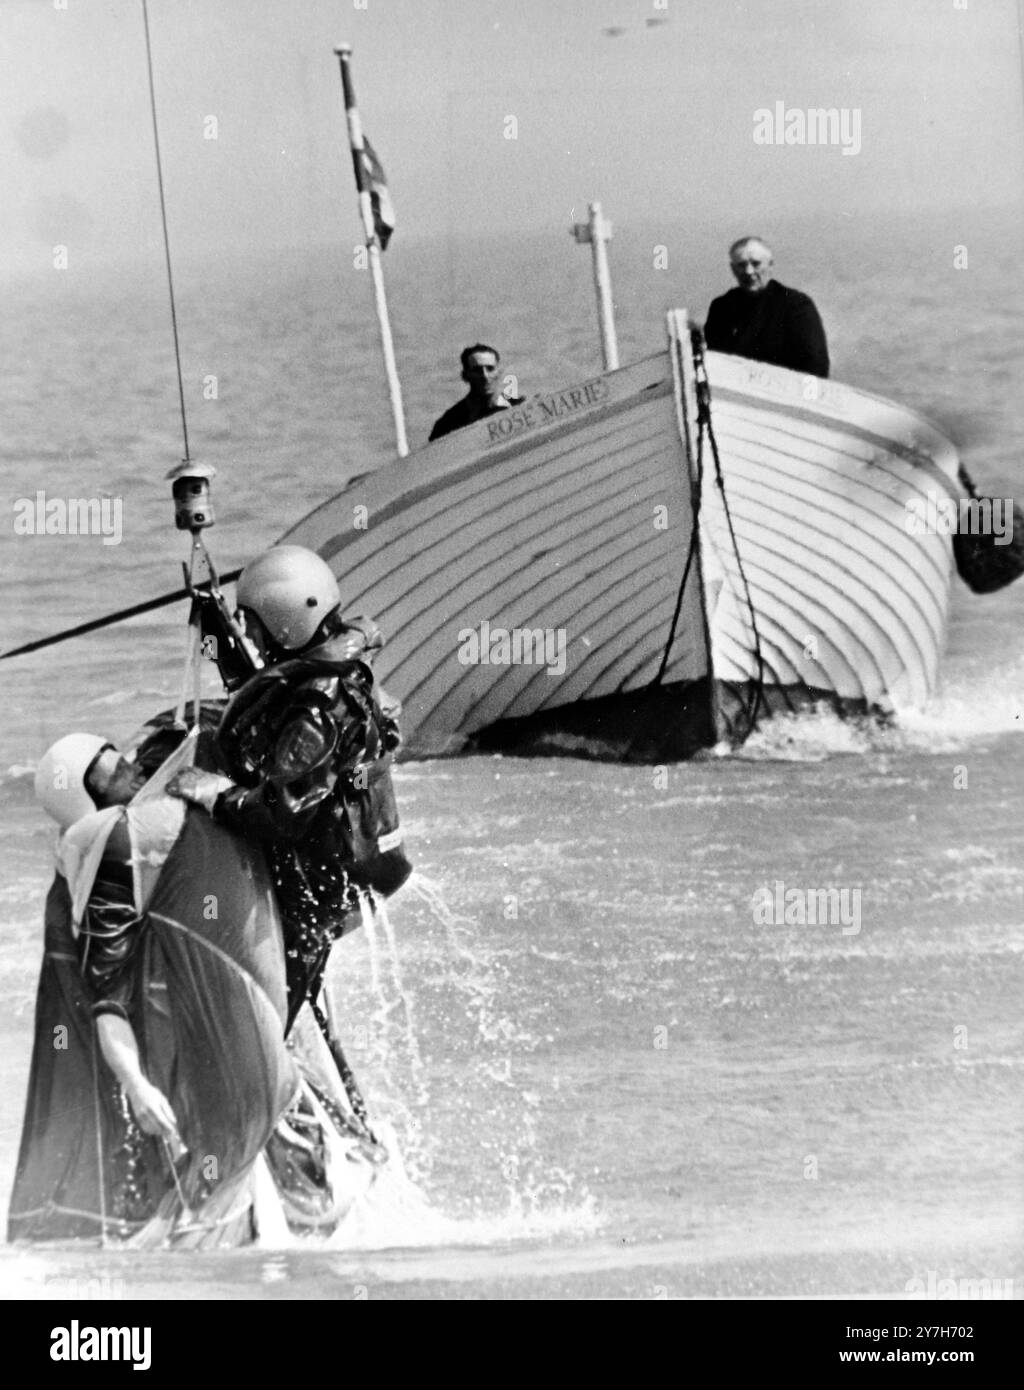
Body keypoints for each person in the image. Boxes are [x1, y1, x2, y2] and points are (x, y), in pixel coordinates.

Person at [9, 728, 305, 1246]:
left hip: (250, 1019)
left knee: (255, 1162)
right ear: (91, 804)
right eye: (113, 776)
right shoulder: (114, 853)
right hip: (224, 1042)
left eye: (120, 758)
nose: (133, 771)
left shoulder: (159, 808)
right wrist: (136, 1084)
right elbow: (107, 995)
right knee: (217, 1184)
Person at [169, 544, 412, 1028]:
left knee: (274, 1011)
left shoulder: (315, 713)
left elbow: (282, 815)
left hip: (327, 878)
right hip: (348, 858)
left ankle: (270, 1082)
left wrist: (213, 792)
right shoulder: (327, 667)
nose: (250, 634)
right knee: (304, 1009)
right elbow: (263, 689)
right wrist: (215, 623)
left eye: (254, 623)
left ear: (283, 622)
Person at [704, 236, 829, 378]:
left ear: (770, 265)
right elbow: (714, 360)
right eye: (741, 265)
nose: (749, 271)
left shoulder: (796, 305)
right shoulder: (722, 308)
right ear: (733, 269)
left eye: (756, 264)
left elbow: (815, 366)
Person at [428, 343, 524, 441]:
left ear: (499, 372)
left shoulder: (521, 408)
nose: (485, 376)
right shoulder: (447, 424)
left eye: (490, 369)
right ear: (465, 376)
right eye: (477, 370)